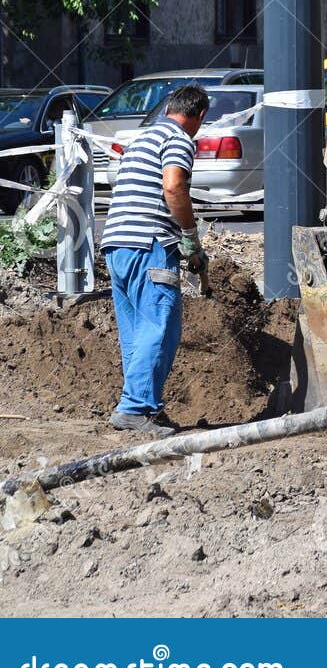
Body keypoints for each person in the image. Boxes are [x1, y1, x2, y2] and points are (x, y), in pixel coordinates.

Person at [101, 84, 211, 435]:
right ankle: (135, 408)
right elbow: (174, 187)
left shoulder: (142, 140)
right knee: (159, 327)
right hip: (149, 244)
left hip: (116, 244)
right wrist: (191, 237)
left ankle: (143, 407)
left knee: (136, 332)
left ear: (167, 109)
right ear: (200, 116)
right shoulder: (179, 139)